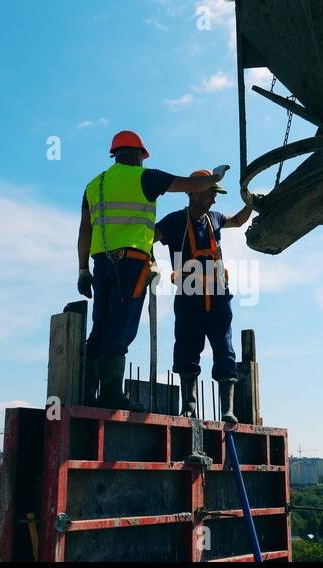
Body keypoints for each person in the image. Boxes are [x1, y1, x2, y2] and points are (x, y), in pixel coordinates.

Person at [78, 131, 230, 411]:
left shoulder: (93, 185)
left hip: (101, 264)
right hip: (131, 262)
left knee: (99, 326)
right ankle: (111, 393)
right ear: (138, 155)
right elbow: (189, 184)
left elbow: (85, 229)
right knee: (121, 329)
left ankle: (88, 393)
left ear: (115, 154)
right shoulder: (145, 177)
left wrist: (82, 269)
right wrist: (215, 178)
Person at [154, 170, 254, 422]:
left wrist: (252, 202)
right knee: (187, 347)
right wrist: (151, 264)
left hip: (219, 297)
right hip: (189, 298)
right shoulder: (174, 221)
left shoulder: (215, 219)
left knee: (225, 349)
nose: (214, 199)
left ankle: (227, 410)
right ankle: (189, 405)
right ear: (196, 190)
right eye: (211, 192)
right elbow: (146, 238)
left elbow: (239, 221)